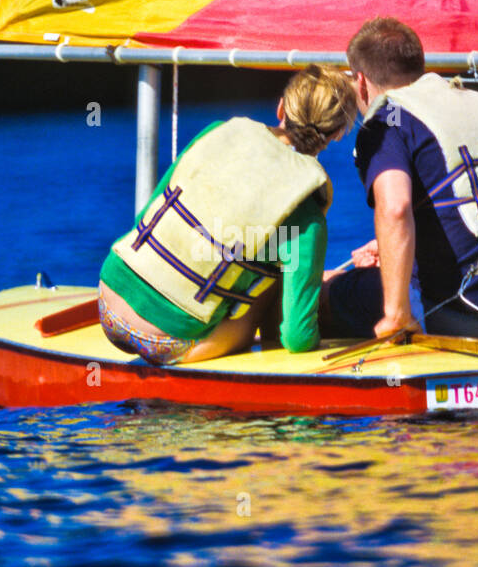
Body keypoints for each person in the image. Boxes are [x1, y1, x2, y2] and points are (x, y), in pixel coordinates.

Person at [98, 65, 356, 365]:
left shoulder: (218, 133)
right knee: (273, 276)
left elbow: (148, 214)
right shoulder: (307, 214)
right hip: (166, 341)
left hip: (108, 299)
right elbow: (298, 338)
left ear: (281, 107)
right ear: (337, 134)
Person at [322, 17, 478, 341]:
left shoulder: (387, 118)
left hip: (462, 315)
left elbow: (394, 209)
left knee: (324, 293)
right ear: (419, 65)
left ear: (360, 82)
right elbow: (477, 206)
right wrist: (392, 249)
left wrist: (396, 315)